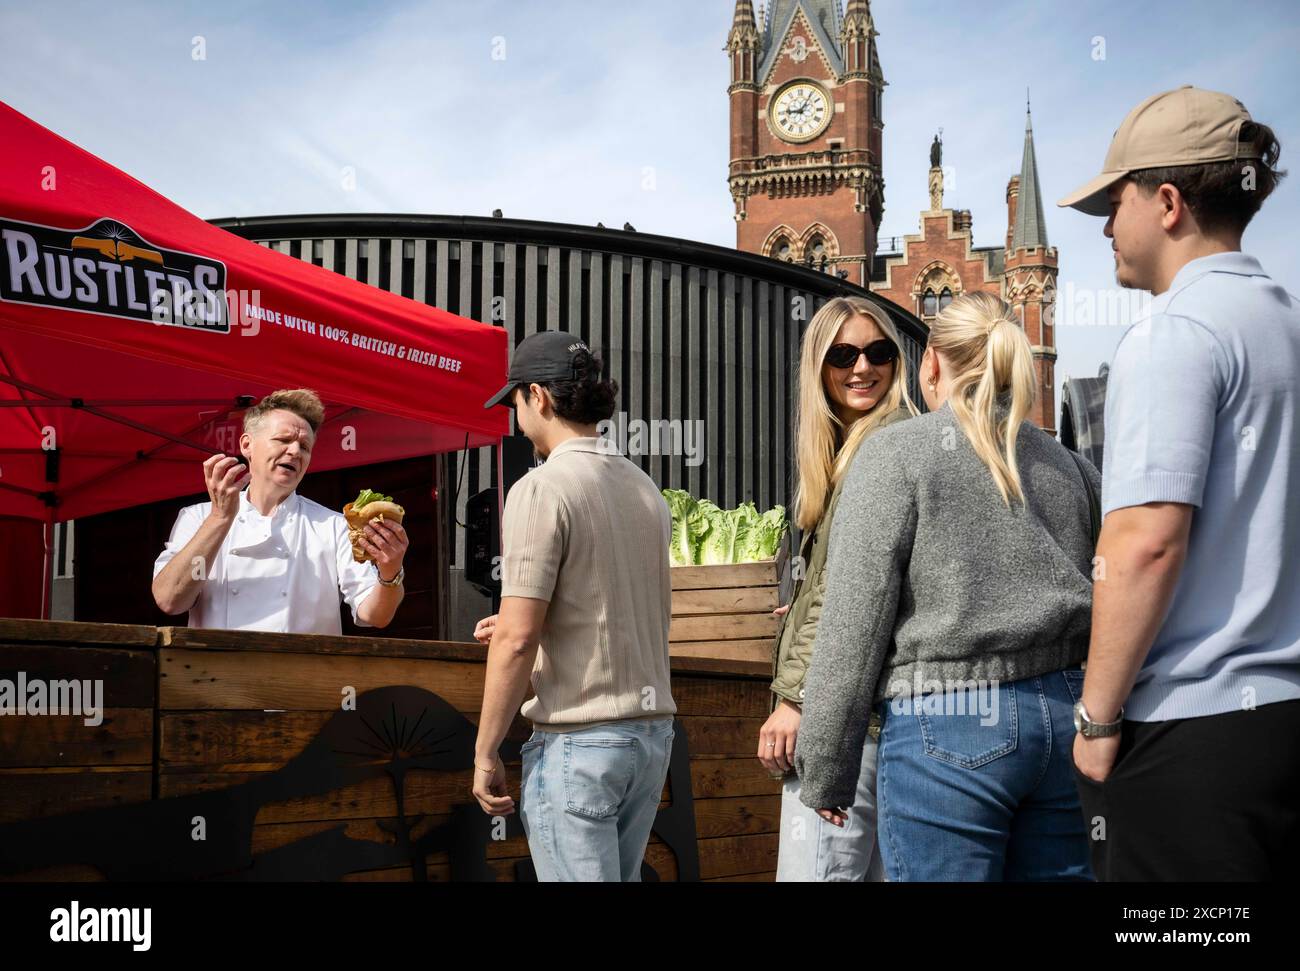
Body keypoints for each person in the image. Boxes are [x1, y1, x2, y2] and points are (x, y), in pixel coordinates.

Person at [1058, 86, 1300, 879]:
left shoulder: (1174, 333)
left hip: (1192, 735)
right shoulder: (1285, 324)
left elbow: (1144, 543)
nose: (1104, 226)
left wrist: (1096, 718)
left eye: (1114, 200)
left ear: (1166, 202)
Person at [795, 292, 1100, 881]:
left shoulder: (893, 456)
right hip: (1066, 720)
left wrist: (827, 762)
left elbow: (854, 624)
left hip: (948, 724)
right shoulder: (1072, 468)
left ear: (931, 362)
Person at [469, 331, 676, 882]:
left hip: (581, 741)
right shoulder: (644, 488)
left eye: (515, 400)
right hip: (649, 737)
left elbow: (517, 639)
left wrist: (486, 752)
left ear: (537, 396)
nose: (516, 416)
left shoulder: (540, 488)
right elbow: (619, 605)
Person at [759, 296, 915, 881]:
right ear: (818, 365)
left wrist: (796, 699)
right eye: (843, 354)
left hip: (850, 722)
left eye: (878, 353)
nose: (861, 368)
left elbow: (842, 592)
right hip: (876, 720)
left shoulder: (882, 446)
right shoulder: (863, 446)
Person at [152, 388, 407, 633]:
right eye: (283, 440)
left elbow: (376, 616)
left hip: (300, 675)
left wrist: (390, 570)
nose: (295, 451)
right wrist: (220, 518)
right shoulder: (197, 517)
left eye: (305, 447)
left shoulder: (333, 526)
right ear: (246, 445)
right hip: (217, 674)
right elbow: (170, 600)